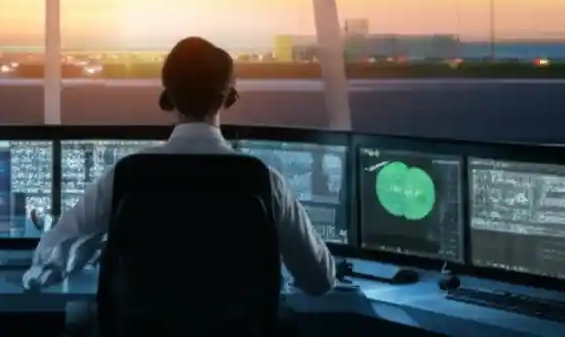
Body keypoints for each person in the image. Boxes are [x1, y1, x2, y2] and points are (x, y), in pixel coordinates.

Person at [22, 36, 337, 296]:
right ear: (230, 99)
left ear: (167, 99)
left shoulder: (127, 177)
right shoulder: (265, 183)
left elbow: (55, 250)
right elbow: (320, 280)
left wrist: (92, 252)